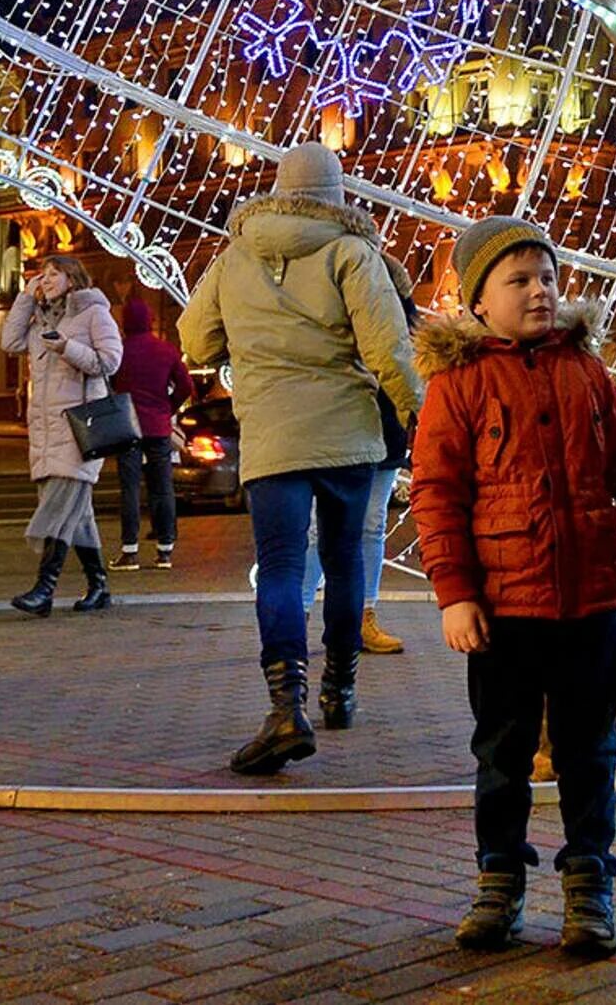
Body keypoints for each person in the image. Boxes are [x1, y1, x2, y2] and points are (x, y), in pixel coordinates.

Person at [410, 216, 616, 957]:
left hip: (590, 599)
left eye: (547, 278)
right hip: (503, 609)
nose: (539, 292)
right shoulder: (457, 383)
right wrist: (455, 593)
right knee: (501, 753)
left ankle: (590, 881)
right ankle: (499, 881)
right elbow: (437, 495)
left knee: (590, 749)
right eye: (519, 281)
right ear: (477, 302)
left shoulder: (586, 370)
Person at [177, 142, 421, 776]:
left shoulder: (233, 255)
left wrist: (248, 346)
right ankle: (338, 689)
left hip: (271, 437)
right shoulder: (353, 252)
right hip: (347, 435)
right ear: (338, 197)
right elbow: (387, 349)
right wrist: (418, 410)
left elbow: (195, 338)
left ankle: (285, 705)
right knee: (343, 565)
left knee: (282, 567)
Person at [297, 251, 418, 654]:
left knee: (369, 524)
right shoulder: (337, 304)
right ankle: (300, 615)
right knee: (322, 527)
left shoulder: (401, 309)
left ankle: (365, 615)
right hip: (342, 428)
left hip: (384, 430)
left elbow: (412, 366)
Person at [1, 254, 125, 616]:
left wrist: (66, 348)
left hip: (79, 429)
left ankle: (44, 589)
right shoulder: (40, 318)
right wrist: (25, 298)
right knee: (77, 514)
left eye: (54, 274)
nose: (47, 279)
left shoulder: (94, 313)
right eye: (43, 274)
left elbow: (110, 361)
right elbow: (10, 342)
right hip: (44, 430)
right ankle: (99, 585)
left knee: (56, 507)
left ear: (72, 279)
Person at [108, 297, 191, 571]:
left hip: (127, 427)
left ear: (124, 323)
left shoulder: (119, 352)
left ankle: (129, 551)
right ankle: (165, 550)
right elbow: (185, 385)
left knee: (129, 489)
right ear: (150, 321)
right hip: (158, 427)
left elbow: (109, 385)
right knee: (162, 487)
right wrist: (168, 407)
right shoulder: (165, 350)